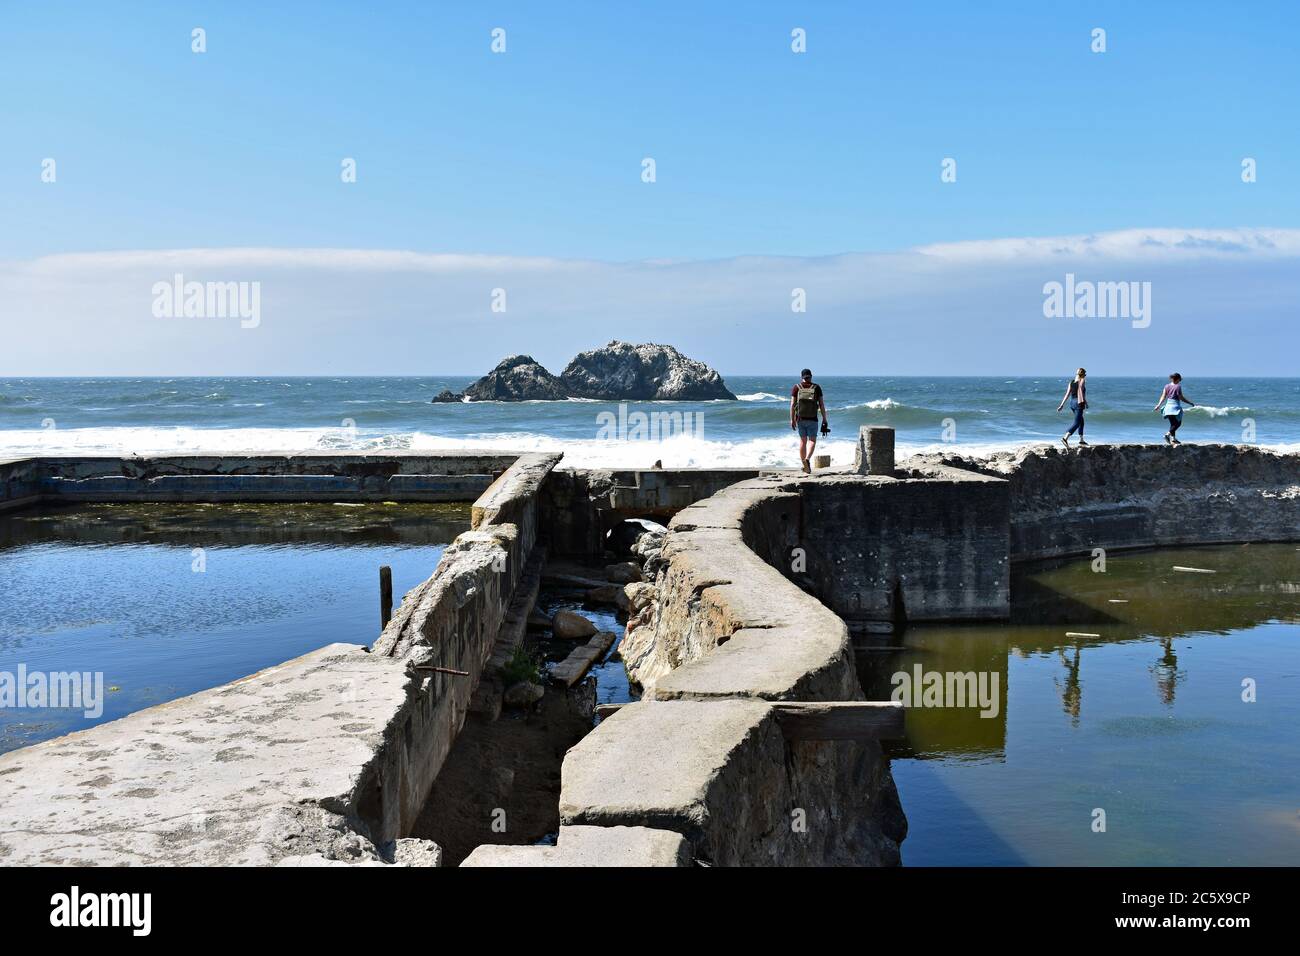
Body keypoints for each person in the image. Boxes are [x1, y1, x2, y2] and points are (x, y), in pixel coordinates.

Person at [790, 368, 829, 473]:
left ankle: (804, 463)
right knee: (812, 440)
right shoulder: (816, 387)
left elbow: (792, 405)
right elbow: (821, 404)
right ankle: (807, 459)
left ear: (801, 377)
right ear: (811, 376)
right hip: (813, 419)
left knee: (803, 441)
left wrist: (792, 419)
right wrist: (825, 418)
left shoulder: (796, 388)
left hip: (800, 419)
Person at [1154, 372, 1195, 445]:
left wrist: (1158, 405)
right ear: (1178, 379)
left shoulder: (1166, 386)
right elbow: (1181, 397)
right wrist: (1190, 403)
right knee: (1178, 423)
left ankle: (1173, 439)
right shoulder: (1178, 386)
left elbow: (1163, 396)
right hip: (1175, 407)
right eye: (1180, 380)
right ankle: (1167, 435)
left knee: (1173, 424)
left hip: (1168, 407)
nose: (1180, 381)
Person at [1057, 367, 1089, 448]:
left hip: (1072, 403)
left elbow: (1067, 394)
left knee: (1081, 421)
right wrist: (1084, 402)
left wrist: (1062, 405)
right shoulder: (1082, 381)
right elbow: (1081, 392)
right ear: (1083, 375)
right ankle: (1065, 438)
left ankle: (1081, 440)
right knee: (1077, 422)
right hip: (1078, 403)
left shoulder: (1071, 382)